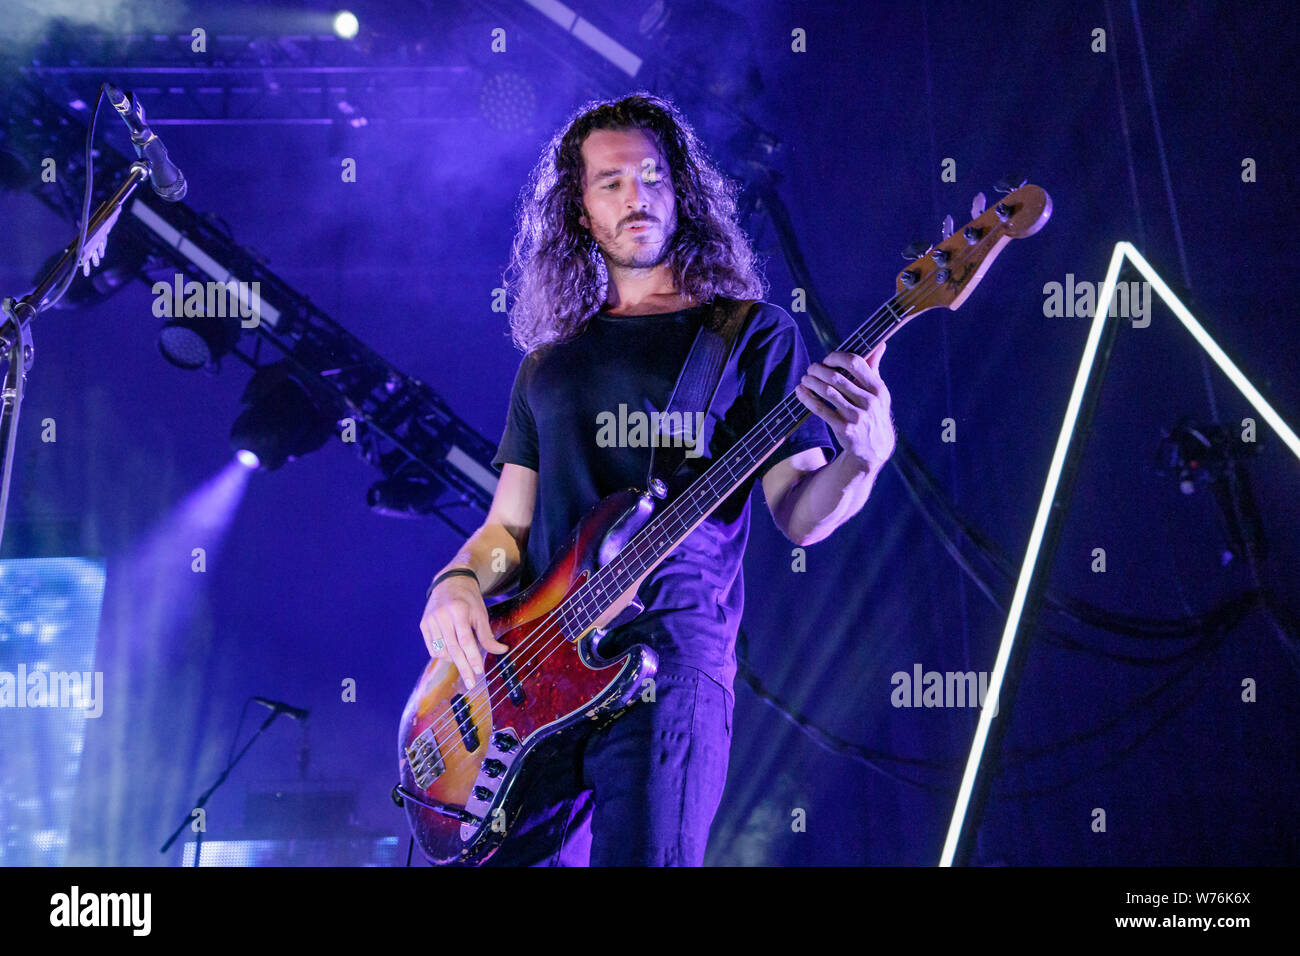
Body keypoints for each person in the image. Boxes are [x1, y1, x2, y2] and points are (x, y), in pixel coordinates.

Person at [418, 92, 895, 866]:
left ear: (681, 193)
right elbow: (505, 529)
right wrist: (458, 581)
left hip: (667, 668)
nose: (635, 195)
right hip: (531, 680)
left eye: (651, 176)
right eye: (609, 182)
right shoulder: (548, 364)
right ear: (579, 212)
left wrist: (862, 457)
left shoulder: (751, 333)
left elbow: (801, 513)